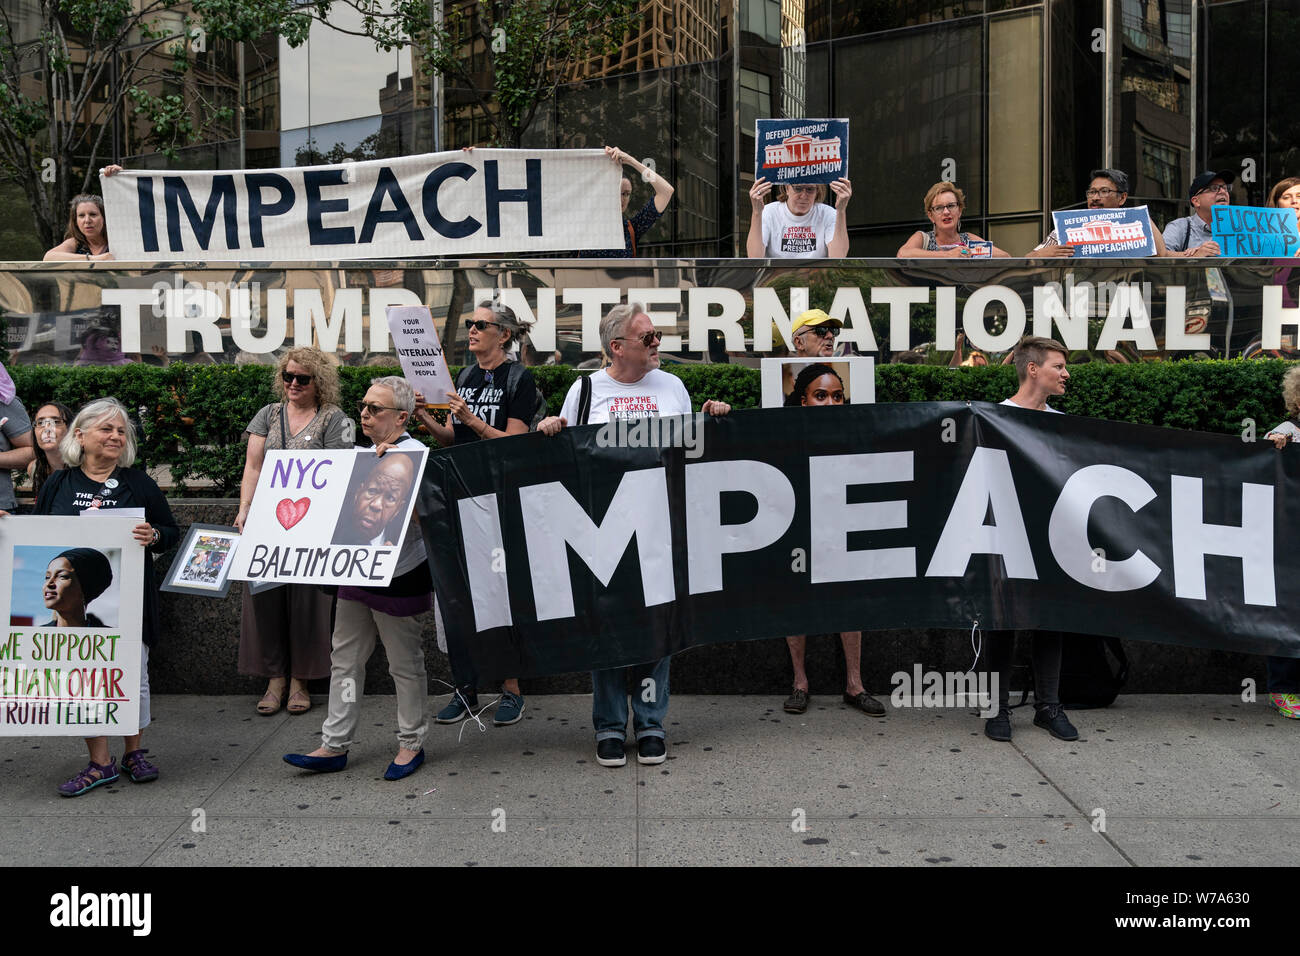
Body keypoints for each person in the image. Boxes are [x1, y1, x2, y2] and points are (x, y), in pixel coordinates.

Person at [537, 303, 731, 767]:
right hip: (601, 530)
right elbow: (569, 458)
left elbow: (692, 452)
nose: (657, 342)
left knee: (655, 626)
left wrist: (714, 420)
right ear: (616, 347)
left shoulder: (673, 386)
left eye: (657, 334)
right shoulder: (585, 389)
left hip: (658, 527)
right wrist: (552, 430)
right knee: (605, 623)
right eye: (648, 337)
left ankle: (650, 723)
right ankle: (607, 724)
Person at [284, 377, 434, 779]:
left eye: (375, 409)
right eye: (364, 406)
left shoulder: (417, 454)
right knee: (345, 659)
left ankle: (410, 743)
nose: (364, 414)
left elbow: (430, 519)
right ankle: (334, 744)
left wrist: (396, 477)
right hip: (354, 568)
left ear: (402, 417)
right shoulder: (361, 454)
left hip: (400, 573)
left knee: (404, 664)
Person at [36, 397, 179, 796]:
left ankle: (134, 751)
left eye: (121, 431)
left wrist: (153, 536)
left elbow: (170, 531)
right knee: (84, 679)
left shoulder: (139, 483)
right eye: (107, 429)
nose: (116, 436)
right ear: (80, 436)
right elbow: (40, 533)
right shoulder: (58, 484)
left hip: (131, 602)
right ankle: (100, 762)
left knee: (134, 677)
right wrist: (11, 528)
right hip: (75, 607)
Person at [416, 301, 540, 727]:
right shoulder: (465, 377)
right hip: (460, 498)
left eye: (480, 324)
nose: (471, 330)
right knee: (459, 594)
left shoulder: (519, 379)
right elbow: (455, 441)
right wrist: (428, 420)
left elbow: (516, 444)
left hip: (499, 502)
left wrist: (471, 417)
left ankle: (511, 689)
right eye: (469, 324)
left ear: (503, 334)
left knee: (501, 596)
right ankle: (464, 689)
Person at [236, 347, 353, 716]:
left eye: (302, 378)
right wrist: (244, 510)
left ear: (319, 381)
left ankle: (301, 680)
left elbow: (340, 471)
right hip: (268, 523)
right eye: (288, 377)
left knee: (308, 604)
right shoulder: (267, 415)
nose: (293, 384)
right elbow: (253, 467)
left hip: (314, 525)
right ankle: (275, 680)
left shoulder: (334, 419)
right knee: (264, 600)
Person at [982, 336, 1078, 743]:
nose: (1066, 374)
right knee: (1002, 621)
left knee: (1052, 618)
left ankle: (1049, 706)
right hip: (1004, 537)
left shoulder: (1061, 423)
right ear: (1033, 369)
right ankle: (996, 709)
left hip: (1051, 538)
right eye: (1059, 366)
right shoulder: (991, 418)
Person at [778, 363, 887, 717]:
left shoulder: (855, 434)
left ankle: (855, 685)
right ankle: (799, 683)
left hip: (842, 523)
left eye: (837, 396)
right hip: (798, 525)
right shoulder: (785, 434)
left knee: (849, 600)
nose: (830, 402)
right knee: (796, 601)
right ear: (804, 401)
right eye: (821, 395)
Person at [1263, 366, 1300, 718]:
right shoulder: (1287, 431)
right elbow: (1260, 466)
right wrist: (1275, 447)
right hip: (1290, 539)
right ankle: (1283, 688)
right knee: (1290, 612)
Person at [1028, 168, 1171, 257]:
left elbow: (1161, 254)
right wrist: (1041, 254)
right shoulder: (1065, 229)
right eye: (1092, 192)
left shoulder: (1135, 226)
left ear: (1122, 198)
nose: (1095, 198)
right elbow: (1028, 259)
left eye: (1104, 191)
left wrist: (1140, 215)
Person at [579, 146, 675, 258]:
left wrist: (631, 161)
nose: (623, 199)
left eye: (627, 194)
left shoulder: (631, 228)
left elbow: (666, 191)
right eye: (619, 193)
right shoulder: (583, 226)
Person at [897, 182, 1010, 258]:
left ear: (959, 210)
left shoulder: (968, 239)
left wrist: (972, 252)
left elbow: (1005, 257)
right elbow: (902, 254)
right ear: (931, 216)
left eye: (951, 206)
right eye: (939, 208)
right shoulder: (923, 238)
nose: (946, 212)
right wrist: (948, 255)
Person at [747, 177, 852, 258]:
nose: (803, 196)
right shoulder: (769, 212)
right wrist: (756, 212)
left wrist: (841, 211)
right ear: (787, 188)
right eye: (798, 188)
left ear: (817, 192)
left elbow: (839, 257)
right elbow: (754, 258)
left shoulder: (828, 214)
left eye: (810, 189)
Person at [331, 453, 417, 546]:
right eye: (372, 491)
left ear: (398, 510)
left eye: (390, 498)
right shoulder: (328, 530)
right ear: (358, 493)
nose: (376, 505)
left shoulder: (409, 547)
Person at [41, 167, 124, 262]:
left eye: (93, 214)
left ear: (104, 218)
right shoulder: (76, 243)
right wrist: (93, 259)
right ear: (75, 221)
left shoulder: (117, 242)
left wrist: (121, 176)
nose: (87, 220)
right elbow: (48, 257)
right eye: (81, 216)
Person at [1162, 170, 1232, 257]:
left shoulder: (1241, 228)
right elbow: (1162, 255)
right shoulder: (1180, 227)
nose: (1223, 191)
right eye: (1214, 188)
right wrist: (1195, 257)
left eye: (1225, 188)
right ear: (1196, 201)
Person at [43, 549, 112, 627]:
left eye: (62, 576)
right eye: (47, 577)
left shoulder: (108, 636)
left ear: (85, 587)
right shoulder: (37, 634)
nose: (49, 583)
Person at [28, 401, 73, 502]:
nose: (47, 429)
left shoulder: (86, 466)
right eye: (40, 423)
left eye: (56, 422)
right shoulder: (34, 468)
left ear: (70, 428)